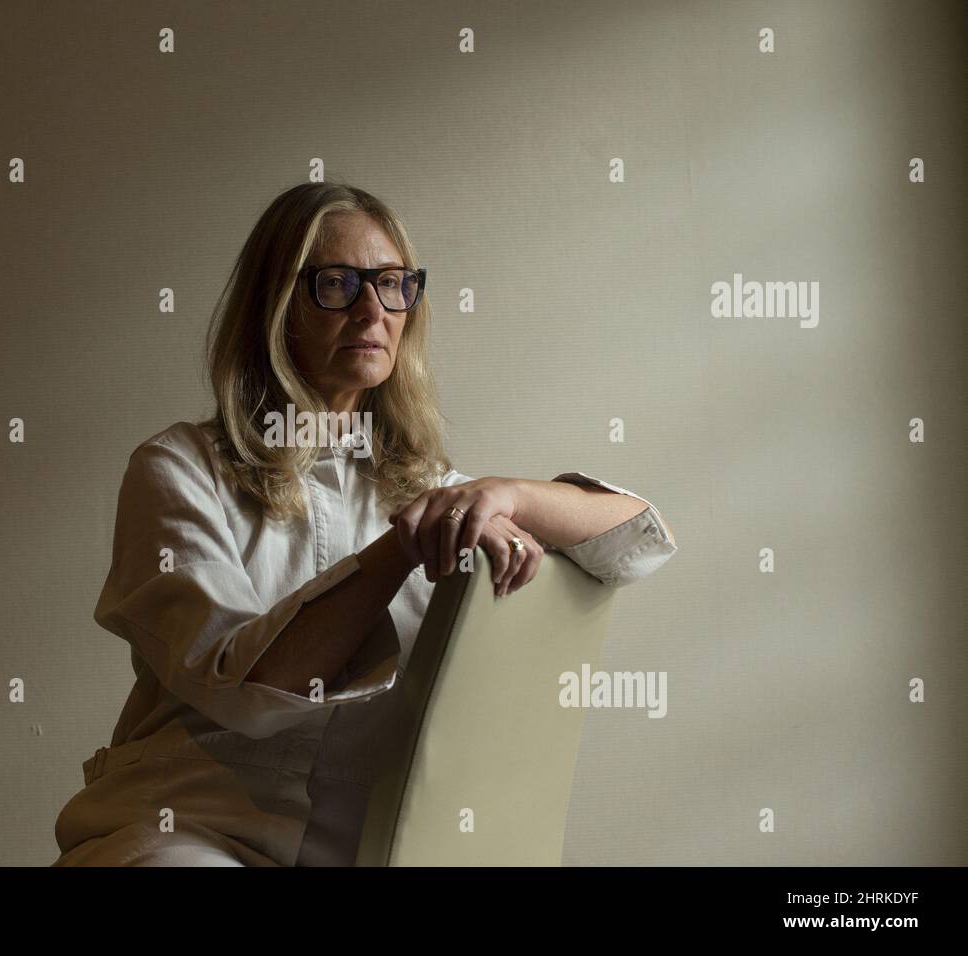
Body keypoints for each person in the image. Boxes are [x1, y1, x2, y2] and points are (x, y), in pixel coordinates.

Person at [51, 182, 678, 866]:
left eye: (391, 284)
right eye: (337, 283)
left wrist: (512, 496)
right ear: (276, 303)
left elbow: (636, 543)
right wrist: (395, 552)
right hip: (193, 828)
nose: (371, 310)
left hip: (363, 850)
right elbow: (243, 694)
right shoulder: (179, 470)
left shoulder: (433, 495)